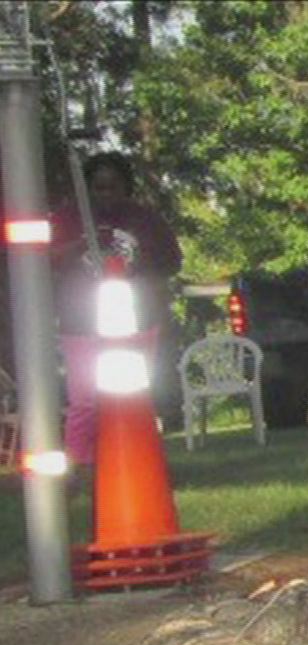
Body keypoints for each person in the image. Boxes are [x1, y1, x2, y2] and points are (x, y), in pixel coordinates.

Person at [50, 152, 183, 467]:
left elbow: (172, 261)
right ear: (86, 189)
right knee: (84, 399)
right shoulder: (68, 218)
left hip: (136, 319)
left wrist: (140, 267)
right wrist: (83, 243)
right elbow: (48, 258)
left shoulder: (145, 219)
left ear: (126, 187)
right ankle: (80, 462)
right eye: (98, 187)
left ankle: (136, 460)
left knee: (133, 395)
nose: (106, 194)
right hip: (81, 321)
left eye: (114, 187)